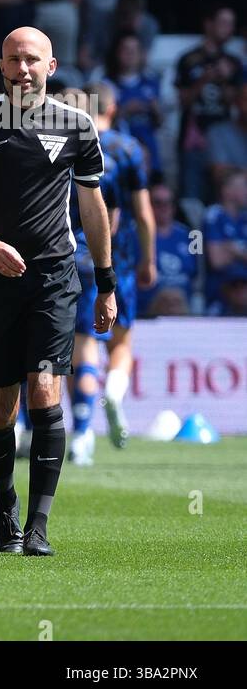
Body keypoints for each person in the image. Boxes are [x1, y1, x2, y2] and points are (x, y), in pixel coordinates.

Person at [0, 26, 114, 556]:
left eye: (32, 60)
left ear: (51, 65)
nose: (23, 69)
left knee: (45, 391)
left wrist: (106, 283)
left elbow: (92, 208)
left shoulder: (77, 126)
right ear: (1, 66)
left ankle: (39, 525)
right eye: (14, 60)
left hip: (54, 278)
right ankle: (5, 505)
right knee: (0, 407)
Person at [67, 83, 154, 466]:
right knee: (120, 343)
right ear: (114, 106)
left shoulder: (68, 144)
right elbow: (145, 214)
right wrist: (148, 260)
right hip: (120, 257)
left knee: (82, 345)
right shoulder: (129, 148)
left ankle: (83, 432)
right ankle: (115, 396)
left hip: (76, 258)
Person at [174, 4, 242, 203]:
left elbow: (239, 102)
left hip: (224, 141)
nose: (228, 29)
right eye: (223, 22)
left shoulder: (234, 62)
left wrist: (224, 79)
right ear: (208, 24)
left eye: (231, 24)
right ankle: (195, 235)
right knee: (191, 198)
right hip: (193, 139)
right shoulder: (188, 59)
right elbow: (183, 101)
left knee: (223, 199)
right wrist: (204, 79)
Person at [102, 32, 164, 180]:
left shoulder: (152, 82)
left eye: (134, 50)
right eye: (125, 50)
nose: (130, 54)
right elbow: (101, 124)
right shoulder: (106, 85)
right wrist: (124, 110)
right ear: (116, 53)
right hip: (120, 155)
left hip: (151, 153)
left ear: (141, 54)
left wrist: (156, 110)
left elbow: (160, 122)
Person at [138, 184, 196, 315]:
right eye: (158, 203)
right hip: (147, 309)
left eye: (168, 202)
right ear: (148, 205)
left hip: (183, 307)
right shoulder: (135, 235)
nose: (164, 207)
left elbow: (197, 277)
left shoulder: (192, 235)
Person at [204, 170, 247, 316]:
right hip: (219, 293)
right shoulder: (213, 215)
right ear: (226, 190)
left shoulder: (244, 218)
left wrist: (231, 249)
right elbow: (217, 261)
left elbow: (224, 255)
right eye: (243, 186)